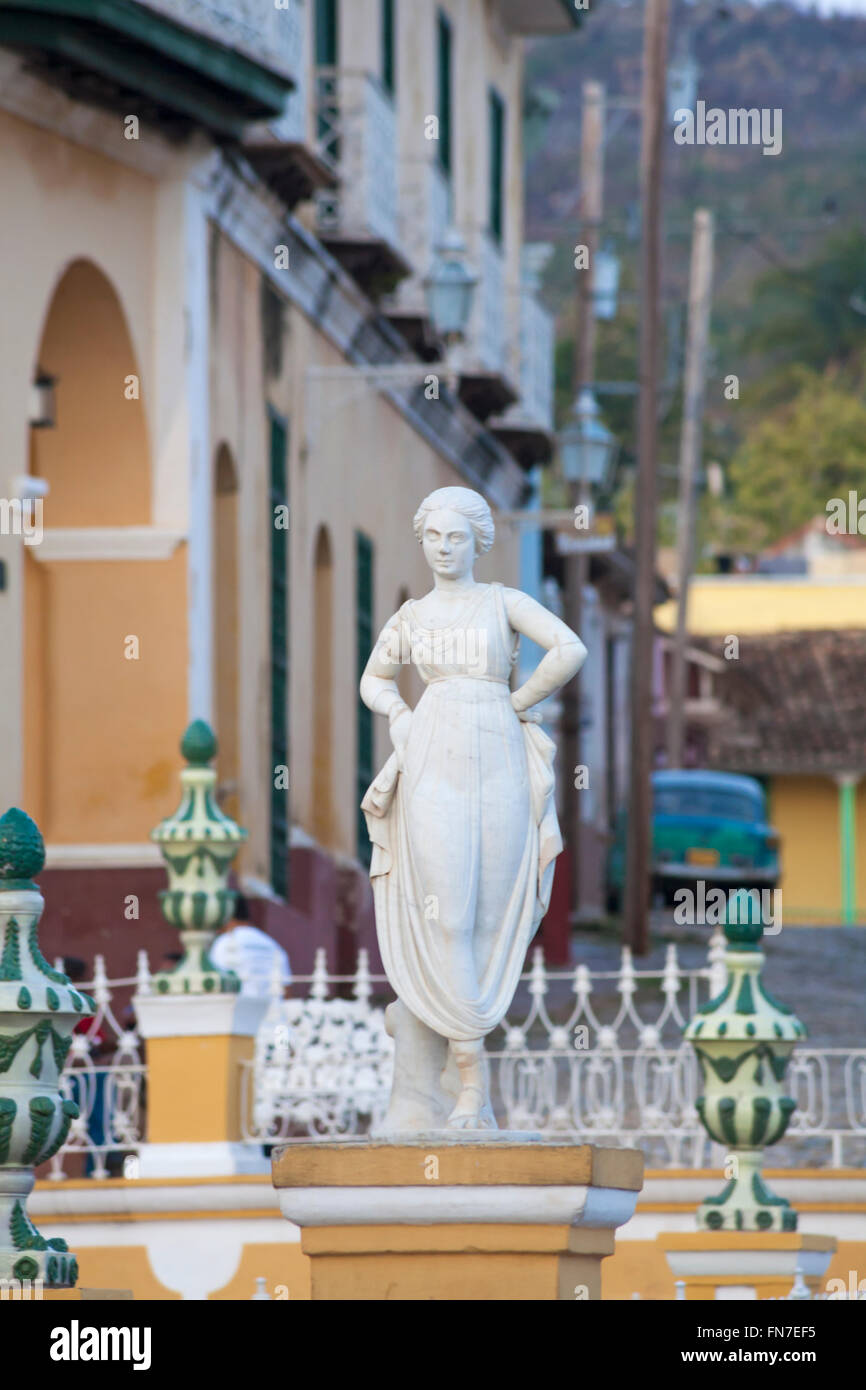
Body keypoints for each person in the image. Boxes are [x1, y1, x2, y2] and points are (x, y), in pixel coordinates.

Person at [360, 486, 586, 1129]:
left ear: (477, 543)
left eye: (456, 537)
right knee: (450, 913)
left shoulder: (501, 602)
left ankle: (455, 1065)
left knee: (489, 913)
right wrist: (401, 716)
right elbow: (373, 680)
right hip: (432, 750)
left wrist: (519, 701)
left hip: (498, 757)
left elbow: (570, 648)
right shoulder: (410, 617)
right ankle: (471, 1087)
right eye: (433, 536)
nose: (443, 547)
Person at [209, 894, 291, 998]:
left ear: (225, 914)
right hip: (272, 1011)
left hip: (234, 1011)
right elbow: (286, 992)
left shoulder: (223, 943)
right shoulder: (272, 944)